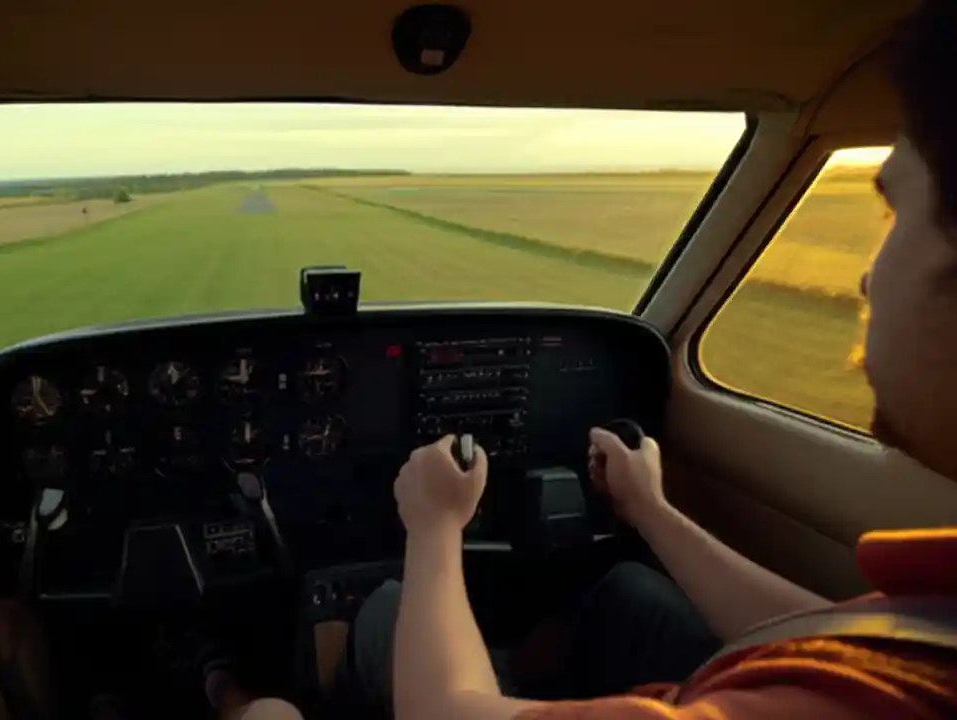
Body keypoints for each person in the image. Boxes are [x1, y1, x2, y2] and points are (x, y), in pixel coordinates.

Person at [353, 2, 957, 718]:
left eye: (894, 215)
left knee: (384, 614)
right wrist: (650, 509)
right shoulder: (917, 643)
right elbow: (838, 635)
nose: (867, 275)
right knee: (628, 595)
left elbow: (440, 711)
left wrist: (434, 525)